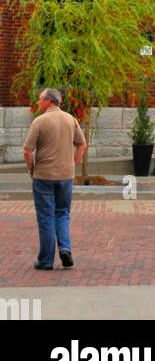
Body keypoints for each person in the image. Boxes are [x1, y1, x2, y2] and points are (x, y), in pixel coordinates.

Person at [23, 88, 87, 271]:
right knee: (62, 213)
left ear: (49, 101)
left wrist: (32, 169)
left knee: (45, 217)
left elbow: (27, 151)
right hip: (66, 176)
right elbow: (82, 145)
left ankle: (46, 260)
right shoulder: (70, 119)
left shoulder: (39, 122)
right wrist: (72, 164)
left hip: (44, 175)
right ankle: (65, 249)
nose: (37, 102)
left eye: (40, 99)